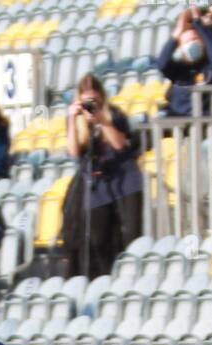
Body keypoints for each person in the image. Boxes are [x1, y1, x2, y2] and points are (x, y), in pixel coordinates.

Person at [62, 74, 143, 279]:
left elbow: (119, 145)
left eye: (94, 102)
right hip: (97, 183)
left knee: (131, 234)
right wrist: (73, 118)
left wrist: (102, 120)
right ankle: (104, 276)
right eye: (86, 102)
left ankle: (131, 275)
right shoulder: (78, 121)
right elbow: (74, 152)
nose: (90, 106)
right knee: (98, 236)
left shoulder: (113, 115)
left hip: (124, 180)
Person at [156, 6, 212, 118]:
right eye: (188, 41)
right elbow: (162, 64)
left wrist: (198, 23)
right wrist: (178, 30)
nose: (193, 44)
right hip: (180, 123)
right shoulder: (178, 71)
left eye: (196, 39)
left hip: (206, 122)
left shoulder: (210, 66)